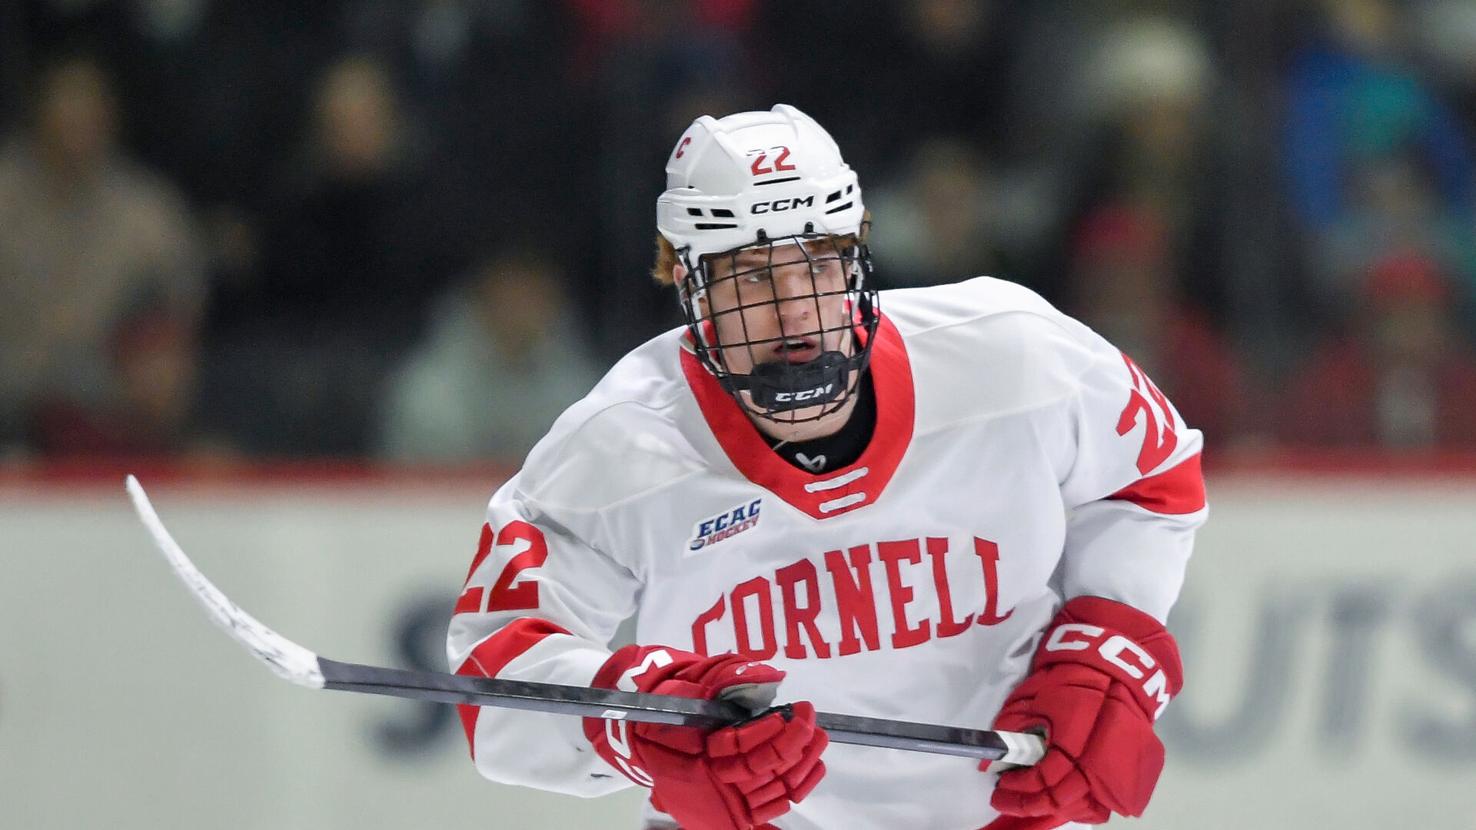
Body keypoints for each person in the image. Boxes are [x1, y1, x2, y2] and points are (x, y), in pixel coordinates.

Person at [447, 105, 1206, 830]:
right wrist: (636, 718)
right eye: (750, 276)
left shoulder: (1014, 354)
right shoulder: (616, 448)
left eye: (819, 264)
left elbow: (1151, 476)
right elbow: (495, 681)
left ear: (860, 251)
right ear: (684, 283)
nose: (794, 309)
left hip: (1009, 812)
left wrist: (1112, 637)